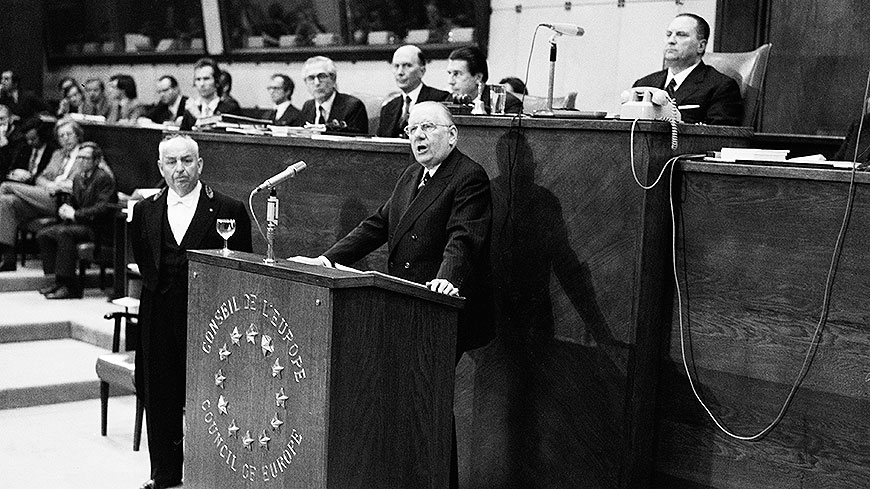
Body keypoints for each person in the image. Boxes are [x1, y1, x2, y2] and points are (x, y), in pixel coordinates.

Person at [293, 101, 492, 353]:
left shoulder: (468, 176)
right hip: (404, 302)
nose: (418, 135)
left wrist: (445, 279)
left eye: (428, 127)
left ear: (452, 135)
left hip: (439, 304)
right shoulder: (411, 174)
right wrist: (326, 260)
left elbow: (463, 238)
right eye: (412, 129)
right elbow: (377, 225)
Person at [130, 134, 252, 489]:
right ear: (160, 167)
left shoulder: (229, 209)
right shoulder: (145, 210)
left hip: (210, 318)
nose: (179, 169)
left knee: (212, 395)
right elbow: (143, 259)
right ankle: (165, 474)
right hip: (157, 313)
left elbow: (241, 267)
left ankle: (214, 474)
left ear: (200, 164)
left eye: (187, 161)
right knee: (159, 393)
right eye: (171, 162)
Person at [0, 118, 86, 271]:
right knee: (7, 201)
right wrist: (50, 185)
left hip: (65, 200)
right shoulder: (58, 154)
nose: (65, 139)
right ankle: (8, 258)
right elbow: (40, 178)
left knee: (6, 186)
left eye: (69, 134)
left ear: (77, 135)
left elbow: (95, 178)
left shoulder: (86, 154)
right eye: (61, 136)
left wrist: (64, 185)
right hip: (46, 194)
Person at [36, 142, 117, 299]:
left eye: (85, 158)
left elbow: (102, 208)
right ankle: (57, 280)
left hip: (97, 228)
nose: (81, 161)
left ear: (96, 160)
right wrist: (66, 209)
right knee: (44, 234)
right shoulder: (78, 178)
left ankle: (70, 287)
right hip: (80, 224)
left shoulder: (104, 179)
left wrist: (75, 214)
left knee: (64, 233)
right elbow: (75, 202)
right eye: (79, 157)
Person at [632, 13, 743, 126]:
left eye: (681, 35)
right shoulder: (643, 84)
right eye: (668, 34)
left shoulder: (721, 87)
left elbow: (720, 136)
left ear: (701, 46)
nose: (671, 40)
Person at [377, 45, 449, 138]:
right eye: (396, 66)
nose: (400, 72)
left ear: (422, 71)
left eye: (407, 66)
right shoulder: (388, 108)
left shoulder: (440, 100)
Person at [300, 56, 368, 134]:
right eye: (311, 78)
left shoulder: (353, 106)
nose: (317, 83)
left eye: (322, 76)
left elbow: (357, 139)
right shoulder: (308, 106)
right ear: (305, 82)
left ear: (333, 79)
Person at [446, 46, 523, 114]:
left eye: (456, 74)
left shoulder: (507, 104)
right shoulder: (447, 102)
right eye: (449, 73)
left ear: (478, 77)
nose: (450, 82)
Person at [180, 58, 242, 130]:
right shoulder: (191, 110)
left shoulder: (229, 108)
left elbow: (219, 137)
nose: (201, 84)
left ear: (217, 82)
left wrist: (198, 116)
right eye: (198, 79)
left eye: (206, 79)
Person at [7, 117, 55, 183]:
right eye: (27, 139)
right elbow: (11, 169)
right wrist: (16, 172)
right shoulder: (24, 148)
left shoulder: (52, 152)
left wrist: (31, 178)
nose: (29, 142)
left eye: (33, 139)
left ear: (42, 136)